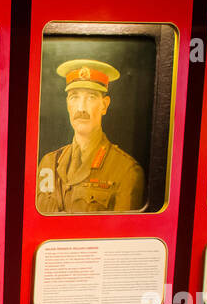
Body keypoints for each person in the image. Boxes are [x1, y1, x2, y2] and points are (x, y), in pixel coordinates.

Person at [35, 58, 144, 213]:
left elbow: (120, 235)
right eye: (74, 97)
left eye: (91, 97)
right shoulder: (49, 163)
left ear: (104, 105)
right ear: (68, 104)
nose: (81, 108)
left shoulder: (126, 170)